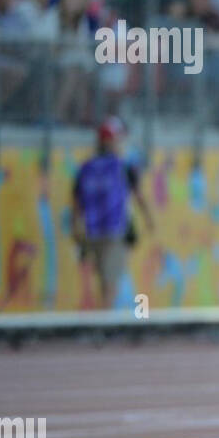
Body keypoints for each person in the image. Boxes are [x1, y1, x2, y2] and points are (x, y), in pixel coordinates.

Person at [71, 117, 153, 309]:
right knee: (111, 281)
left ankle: (105, 319)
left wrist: (76, 226)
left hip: (92, 231)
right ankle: (106, 323)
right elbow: (138, 195)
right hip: (115, 231)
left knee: (104, 279)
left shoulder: (86, 168)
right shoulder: (122, 167)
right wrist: (149, 220)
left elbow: (76, 199)